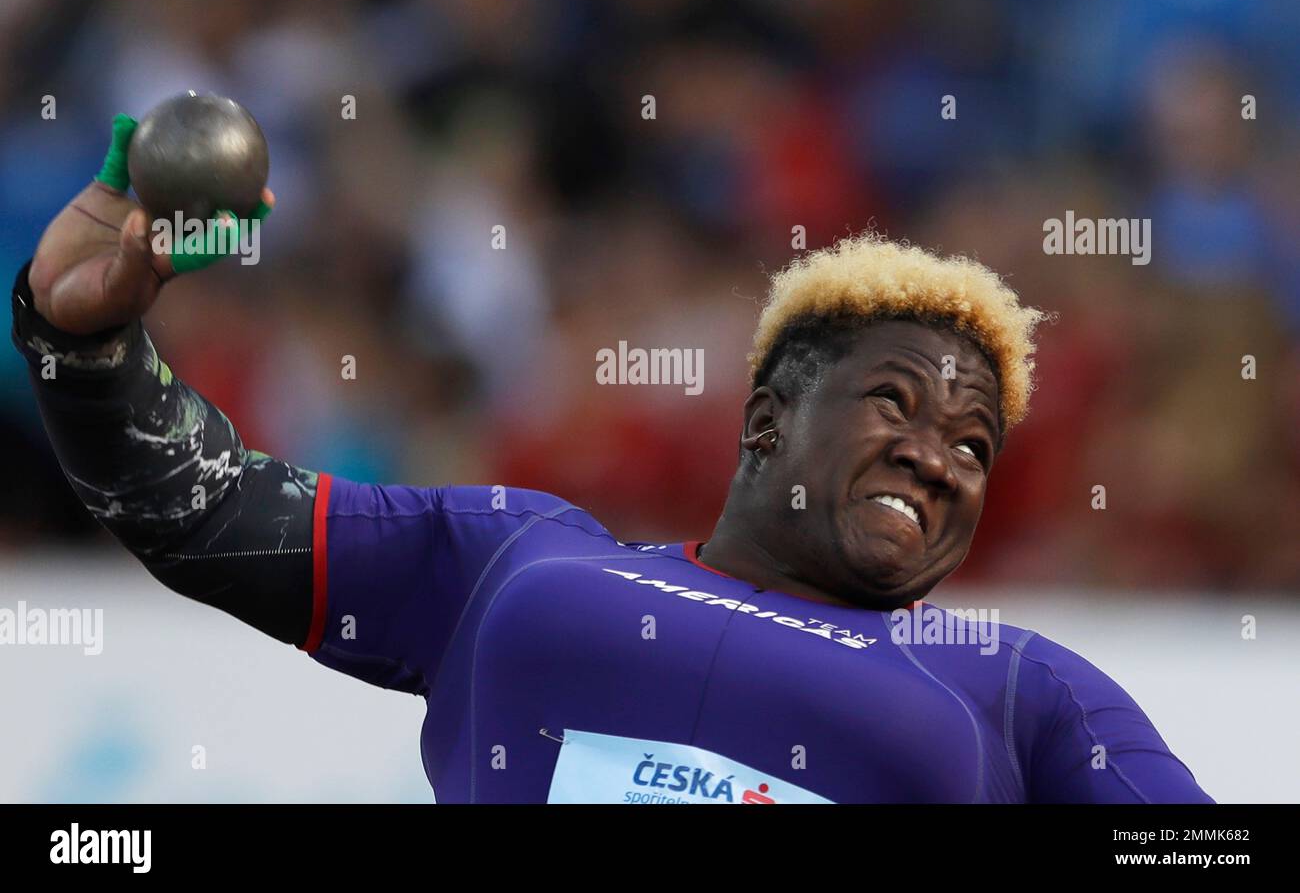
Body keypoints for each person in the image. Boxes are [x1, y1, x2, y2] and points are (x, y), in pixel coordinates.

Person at [11, 124, 1214, 804]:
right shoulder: (511, 555)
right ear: (763, 423)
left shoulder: (1015, 684)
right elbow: (202, 510)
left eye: (971, 444)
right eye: (893, 402)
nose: (935, 455)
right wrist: (79, 336)